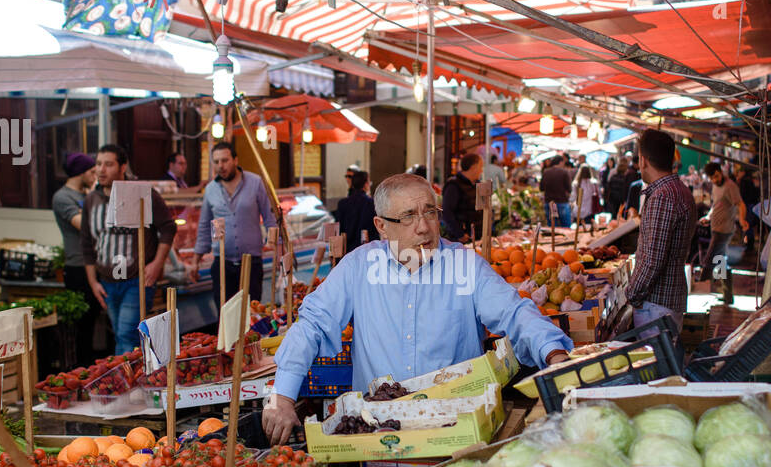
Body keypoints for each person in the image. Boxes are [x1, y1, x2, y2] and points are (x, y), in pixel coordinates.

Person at [263, 173, 573, 444]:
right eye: (409, 217)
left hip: (457, 428)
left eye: (430, 213)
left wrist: (554, 354)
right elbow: (313, 324)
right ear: (381, 226)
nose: (424, 228)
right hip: (378, 432)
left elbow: (514, 313)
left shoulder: (464, 266)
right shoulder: (358, 267)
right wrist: (283, 396)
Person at [80, 143, 176, 354]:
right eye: (98, 164)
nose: (101, 170)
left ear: (122, 167)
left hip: (137, 280)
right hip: (107, 282)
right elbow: (87, 243)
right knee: (121, 335)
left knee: (126, 335)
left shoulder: (142, 194)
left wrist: (157, 263)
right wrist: (92, 281)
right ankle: (135, 382)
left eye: (108, 164)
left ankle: (122, 384)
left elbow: (168, 227)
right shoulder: (91, 201)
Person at [188, 141, 276, 322]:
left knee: (252, 316)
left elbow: (270, 217)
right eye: (217, 161)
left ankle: (251, 350)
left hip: (251, 262)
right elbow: (204, 225)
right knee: (226, 318)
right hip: (222, 264)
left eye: (225, 160)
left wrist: (275, 247)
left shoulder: (255, 182)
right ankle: (229, 351)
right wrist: (195, 261)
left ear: (235, 160)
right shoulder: (211, 189)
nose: (221, 166)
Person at [623, 129, 695, 342]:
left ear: (643, 160)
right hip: (665, 302)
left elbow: (653, 260)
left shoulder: (663, 197)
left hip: (656, 304)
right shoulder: (677, 190)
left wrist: (632, 294)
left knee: (654, 369)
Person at [52, 153, 101, 363]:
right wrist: (93, 198)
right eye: (91, 171)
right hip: (78, 267)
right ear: (80, 173)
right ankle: (82, 372)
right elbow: (86, 226)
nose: (96, 175)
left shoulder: (87, 194)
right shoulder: (63, 198)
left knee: (95, 323)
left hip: (97, 265)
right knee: (83, 327)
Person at [698, 161, 747, 300]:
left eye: (717, 176)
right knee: (721, 260)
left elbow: (740, 204)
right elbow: (716, 204)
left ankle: (700, 291)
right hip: (715, 227)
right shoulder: (715, 186)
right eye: (712, 178)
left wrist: (742, 220)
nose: (715, 180)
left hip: (724, 230)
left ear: (721, 171)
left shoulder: (730, 186)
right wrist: (708, 216)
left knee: (709, 260)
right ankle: (727, 295)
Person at [441, 153, 484, 242]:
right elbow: (446, 212)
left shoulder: (476, 184)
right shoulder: (453, 185)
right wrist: (459, 234)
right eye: (480, 167)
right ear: (473, 167)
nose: (481, 171)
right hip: (460, 240)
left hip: (476, 238)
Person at [335, 170, 378, 252]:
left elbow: (339, 229)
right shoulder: (371, 203)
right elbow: (374, 228)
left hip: (347, 249)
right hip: (366, 249)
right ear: (366, 184)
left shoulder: (342, 203)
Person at [539, 155, 573, 227]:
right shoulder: (564, 172)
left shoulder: (546, 172)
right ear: (560, 162)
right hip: (562, 202)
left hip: (549, 203)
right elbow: (569, 189)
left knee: (552, 228)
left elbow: (541, 188)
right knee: (565, 228)